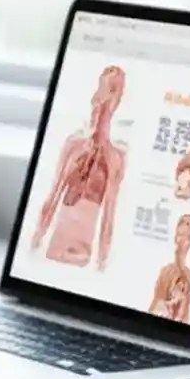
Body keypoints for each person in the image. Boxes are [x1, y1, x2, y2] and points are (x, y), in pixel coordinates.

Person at [31, 65, 127, 270]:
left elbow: (109, 215)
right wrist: (34, 243)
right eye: (103, 88)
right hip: (55, 250)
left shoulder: (116, 158)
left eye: (112, 91)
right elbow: (53, 197)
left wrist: (102, 264)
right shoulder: (73, 145)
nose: (103, 100)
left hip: (81, 255)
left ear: (117, 99)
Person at [148, 214, 190, 323]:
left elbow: (186, 310)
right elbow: (157, 302)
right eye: (180, 235)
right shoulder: (166, 271)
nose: (183, 241)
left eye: (187, 237)